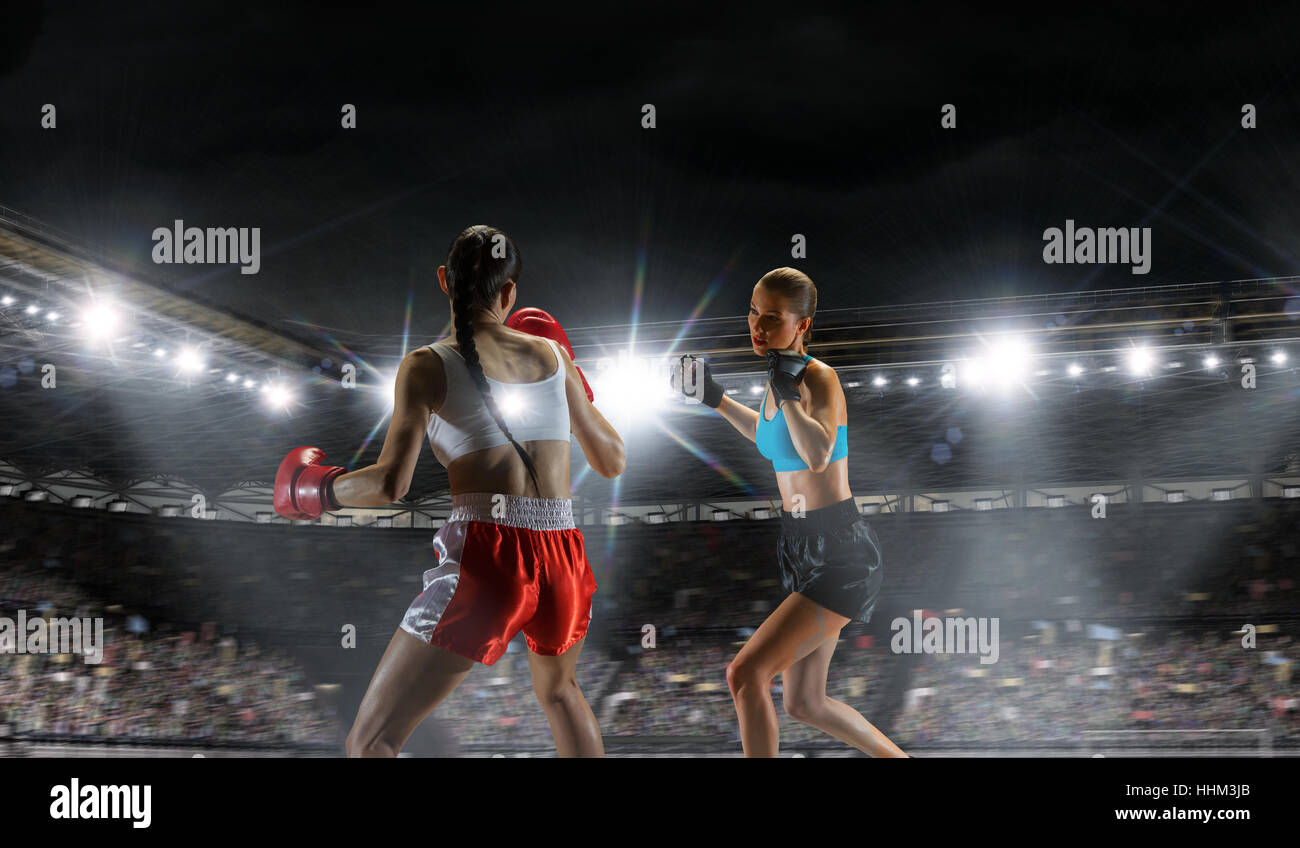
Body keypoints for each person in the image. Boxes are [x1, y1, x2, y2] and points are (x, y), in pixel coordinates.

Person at [274, 224, 625, 757]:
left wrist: (316, 492)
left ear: (444, 281)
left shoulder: (425, 365)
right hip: (565, 560)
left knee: (371, 741)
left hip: (490, 558)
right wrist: (573, 382)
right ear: (510, 293)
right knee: (560, 693)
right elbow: (611, 461)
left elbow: (391, 485)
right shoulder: (553, 359)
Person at [673, 267, 907, 757]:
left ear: (802, 325)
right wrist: (714, 399)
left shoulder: (819, 376)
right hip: (800, 547)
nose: (757, 326)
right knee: (805, 703)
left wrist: (786, 394)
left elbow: (817, 452)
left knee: (745, 674)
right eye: (754, 312)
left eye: (772, 318)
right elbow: (770, 442)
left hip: (841, 550)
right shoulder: (776, 378)